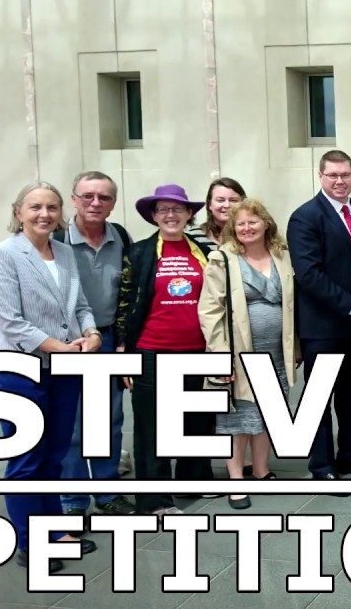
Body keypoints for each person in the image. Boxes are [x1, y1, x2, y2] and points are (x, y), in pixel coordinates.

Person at [0, 181, 100, 570]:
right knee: (25, 461)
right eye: (35, 207)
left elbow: (80, 305)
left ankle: (54, 530)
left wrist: (91, 333)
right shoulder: (2, 254)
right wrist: (57, 347)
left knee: (54, 455)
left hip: (64, 370)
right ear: (18, 212)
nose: (44, 214)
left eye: (51, 207)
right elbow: (10, 321)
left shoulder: (64, 252)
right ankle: (29, 543)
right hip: (20, 371)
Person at [286, 150, 351, 487]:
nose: (340, 181)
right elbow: (309, 274)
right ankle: (322, 467)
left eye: (345, 175)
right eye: (333, 175)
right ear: (320, 176)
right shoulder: (305, 217)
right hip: (325, 326)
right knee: (320, 397)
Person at [116, 184, 216, 515]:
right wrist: (124, 350)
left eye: (177, 209)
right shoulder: (140, 253)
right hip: (152, 351)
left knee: (196, 420)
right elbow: (126, 302)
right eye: (163, 210)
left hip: (197, 350)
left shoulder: (205, 252)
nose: (170, 215)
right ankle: (154, 499)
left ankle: (193, 479)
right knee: (152, 426)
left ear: (190, 215)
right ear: (154, 216)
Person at [198, 198, 298, 509]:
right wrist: (220, 354)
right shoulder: (223, 259)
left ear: (266, 223)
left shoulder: (282, 256)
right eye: (240, 223)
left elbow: (293, 305)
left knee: (268, 412)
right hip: (238, 353)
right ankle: (235, 479)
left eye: (252, 221)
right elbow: (209, 309)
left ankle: (261, 470)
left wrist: (296, 347)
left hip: (277, 353)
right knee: (237, 418)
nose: (246, 227)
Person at [54, 171, 135, 517]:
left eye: (103, 197)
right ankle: (72, 500)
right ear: (73, 199)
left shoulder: (122, 238)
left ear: (113, 204)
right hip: (65, 342)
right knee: (70, 424)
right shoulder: (54, 240)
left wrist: (123, 342)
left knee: (109, 420)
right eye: (87, 196)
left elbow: (130, 294)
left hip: (108, 340)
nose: (95, 203)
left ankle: (107, 492)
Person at [188, 177, 246, 252]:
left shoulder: (249, 235)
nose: (227, 205)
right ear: (209, 205)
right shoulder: (192, 236)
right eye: (220, 200)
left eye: (233, 200)